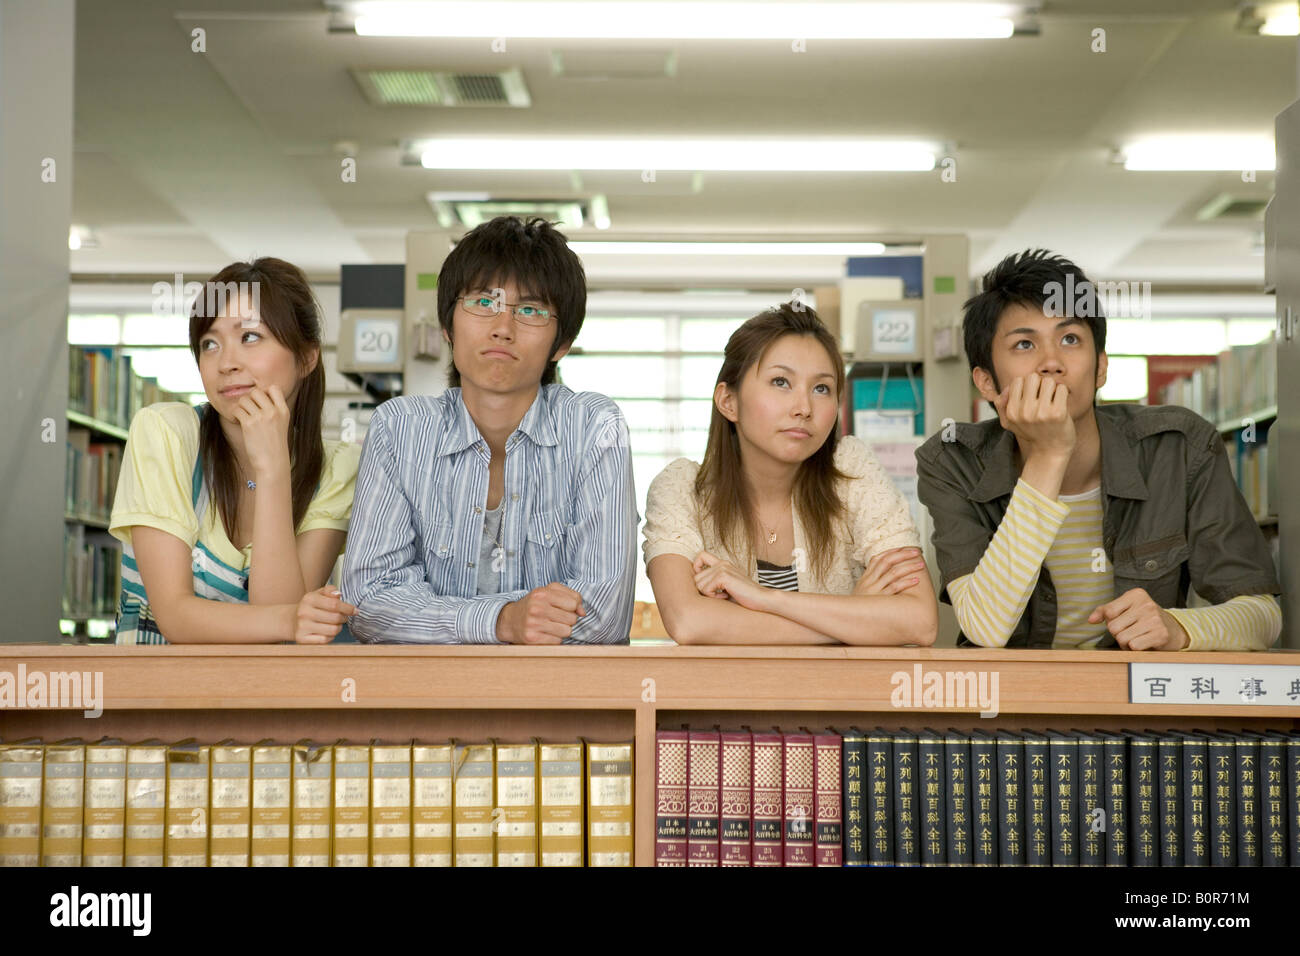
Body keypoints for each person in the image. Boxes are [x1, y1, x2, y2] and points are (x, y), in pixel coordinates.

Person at [915, 248, 1282, 651]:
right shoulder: (951, 461)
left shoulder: (1179, 446)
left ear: (1101, 366)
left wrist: (1179, 627)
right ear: (986, 382)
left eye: (1070, 339)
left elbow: (1263, 617)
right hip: (1008, 707)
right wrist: (1049, 455)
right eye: (1024, 344)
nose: (1051, 362)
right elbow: (986, 629)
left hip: (1135, 705)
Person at [342, 216, 638, 644]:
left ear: (562, 343)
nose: (503, 327)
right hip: (424, 702)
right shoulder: (399, 429)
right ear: (447, 326)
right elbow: (369, 605)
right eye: (483, 303)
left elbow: (605, 614)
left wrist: (434, 616)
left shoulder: (594, 427)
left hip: (566, 702)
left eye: (531, 310)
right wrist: (503, 620)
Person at [642, 303, 938, 646]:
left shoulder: (852, 470)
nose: (804, 408)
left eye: (822, 388)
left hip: (844, 700)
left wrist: (763, 598)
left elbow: (920, 622)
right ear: (728, 401)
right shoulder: (681, 490)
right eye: (781, 382)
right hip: (727, 699)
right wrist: (853, 616)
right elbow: (689, 622)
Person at [109, 258, 361, 644]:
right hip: (154, 697)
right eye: (210, 344)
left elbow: (284, 631)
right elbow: (176, 616)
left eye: (250, 337)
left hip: (263, 700)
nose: (226, 363)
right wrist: (289, 619)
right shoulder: (167, 433)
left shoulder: (338, 468)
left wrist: (273, 468)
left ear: (307, 357)